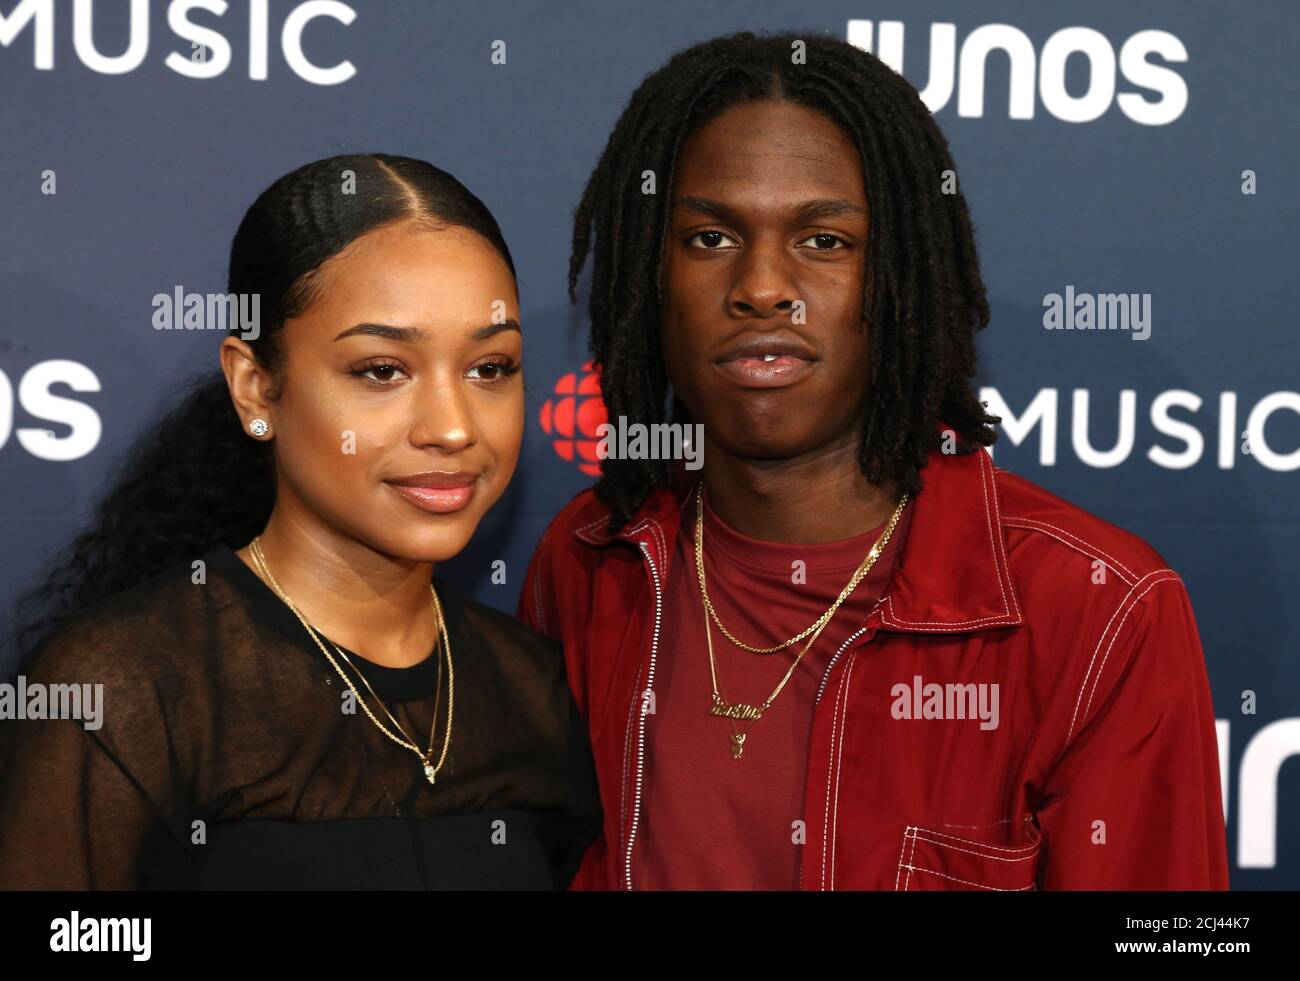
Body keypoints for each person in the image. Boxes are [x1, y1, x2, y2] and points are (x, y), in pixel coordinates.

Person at [518, 32, 1229, 890]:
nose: (762, 285)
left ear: (902, 278)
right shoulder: (591, 558)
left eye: (824, 240)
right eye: (709, 237)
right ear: (646, 275)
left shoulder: (1097, 611)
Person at [0, 153, 601, 890]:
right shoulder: (124, 689)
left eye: (490, 368)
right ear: (256, 388)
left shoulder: (533, 686)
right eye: (382, 370)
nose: (452, 427)